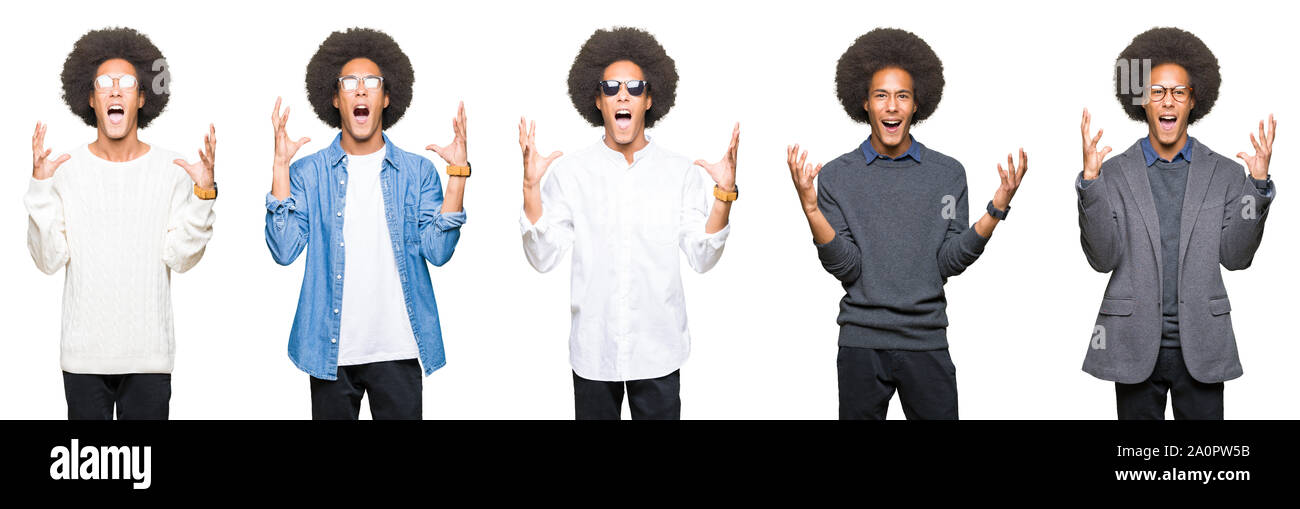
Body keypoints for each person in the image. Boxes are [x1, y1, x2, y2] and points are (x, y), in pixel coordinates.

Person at [785, 28, 1027, 420]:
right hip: (862, 344)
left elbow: (948, 261)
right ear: (864, 102)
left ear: (917, 105)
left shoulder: (947, 175)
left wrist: (996, 209)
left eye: (902, 96)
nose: (892, 107)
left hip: (926, 341)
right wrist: (811, 210)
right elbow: (846, 267)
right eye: (881, 95)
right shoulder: (836, 177)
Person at [519, 26, 739, 420]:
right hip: (593, 352)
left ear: (650, 98)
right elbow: (542, 255)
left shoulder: (680, 172)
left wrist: (724, 195)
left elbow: (702, 257)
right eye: (612, 87)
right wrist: (531, 189)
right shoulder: (571, 172)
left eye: (635, 87)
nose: (624, 94)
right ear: (598, 101)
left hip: (659, 351)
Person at [264, 28, 472, 420]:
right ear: (335, 99)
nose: (361, 91)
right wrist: (279, 168)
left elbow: (439, 252)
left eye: (371, 82)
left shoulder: (418, 172)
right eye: (350, 83)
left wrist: (457, 175)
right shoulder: (308, 173)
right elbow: (284, 249)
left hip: (398, 349)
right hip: (329, 350)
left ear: (387, 97)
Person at [1078, 27, 1276, 419]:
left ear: (1192, 101)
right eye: (1157, 91)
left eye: (1178, 92)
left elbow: (1236, 257)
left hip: (1202, 345)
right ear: (1142, 101)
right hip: (1134, 343)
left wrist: (1257, 186)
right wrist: (1090, 183)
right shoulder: (1113, 173)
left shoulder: (1223, 173)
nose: (1168, 100)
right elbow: (1102, 257)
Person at [25, 27, 217, 420]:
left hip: (149, 360)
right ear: (92, 99)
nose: (115, 91)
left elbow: (180, 259)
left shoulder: (173, 170)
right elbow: (48, 261)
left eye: (127, 83)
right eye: (104, 84)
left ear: (142, 97)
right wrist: (41, 189)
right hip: (83, 361)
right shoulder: (64, 170)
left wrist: (203, 195)